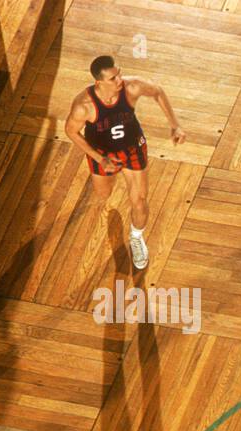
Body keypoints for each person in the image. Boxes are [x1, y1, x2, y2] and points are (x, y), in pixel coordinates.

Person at [63, 55, 187, 270]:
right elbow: (70, 131)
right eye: (112, 78)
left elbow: (157, 91)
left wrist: (175, 125)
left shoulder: (131, 88)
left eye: (118, 73)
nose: (119, 79)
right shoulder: (84, 106)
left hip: (132, 148)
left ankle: (137, 237)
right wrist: (100, 159)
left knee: (139, 199)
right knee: (103, 194)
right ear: (98, 82)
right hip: (103, 154)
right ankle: (107, 177)